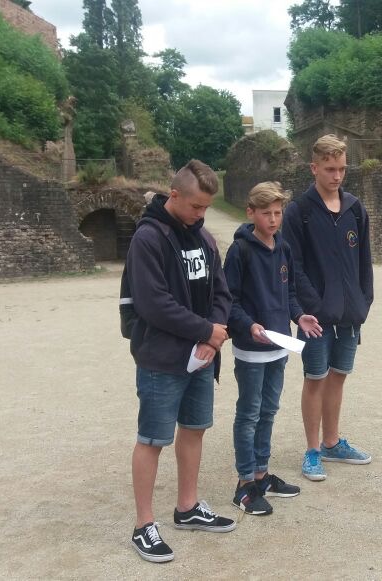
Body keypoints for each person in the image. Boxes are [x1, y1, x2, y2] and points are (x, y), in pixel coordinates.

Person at [125, 160, 234, 563]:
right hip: (161, 357)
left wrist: (215, 331)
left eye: (206, 208)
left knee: (194, 429)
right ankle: (144, 525)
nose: (201, 215)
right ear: (174, 195)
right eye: (195, 207)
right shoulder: (148, 239)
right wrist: (204, 332)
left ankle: (187, 507)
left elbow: (222, 292)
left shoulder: (204, 238)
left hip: (201, 357)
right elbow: (154, 304)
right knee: (152, 439)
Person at [224, 182, 323, 515]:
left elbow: (290, 292)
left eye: (278, 213)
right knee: (249, 414)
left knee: (269, 411)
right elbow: (229, 301)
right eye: (266, 213)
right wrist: (249, 325)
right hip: (251, 349)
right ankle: (243, 485)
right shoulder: (240, 251)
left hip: (279, 347)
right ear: (251, 212)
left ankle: (262, 476)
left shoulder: (283, 247)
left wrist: (300, 316)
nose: (273, 219)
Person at [282, 134, 374, 481]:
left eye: (342, 169)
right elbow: (295, 266)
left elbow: (365, 259)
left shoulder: (354, 208)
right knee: (315, 379)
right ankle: (312, 450)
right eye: (330, 169)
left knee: (338, 377)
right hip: (315, 317)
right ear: (314, 167)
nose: (337, 176)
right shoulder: (299, 212)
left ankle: (333, 442)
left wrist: (364, 300)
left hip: (350, 313)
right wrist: (315, 305)